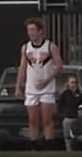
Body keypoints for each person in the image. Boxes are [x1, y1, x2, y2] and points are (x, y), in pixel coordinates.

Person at [15, 17, 63, 148]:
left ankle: (49, 145)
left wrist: (47, 80)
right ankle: (34, 145)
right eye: (28, 30)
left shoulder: (50, 46)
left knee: (47, 119)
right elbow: (22, 68)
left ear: (40, 31)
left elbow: (59, 67)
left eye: (33, 30)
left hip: (47, 88)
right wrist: (18, 86)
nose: (30, 33)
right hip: (31, 89)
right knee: (32, 119)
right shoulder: (25, 48)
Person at [58, 74, 82, 150]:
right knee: (68, 138)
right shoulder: (65, 94)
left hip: (77, 120)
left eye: (75, 82)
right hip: (68, 119)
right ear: (68, 84)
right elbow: (59, 106)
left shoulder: (80, 95)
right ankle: (69, 152)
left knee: (77, 137)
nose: (74, 84)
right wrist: (63, 115)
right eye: (72, 82)